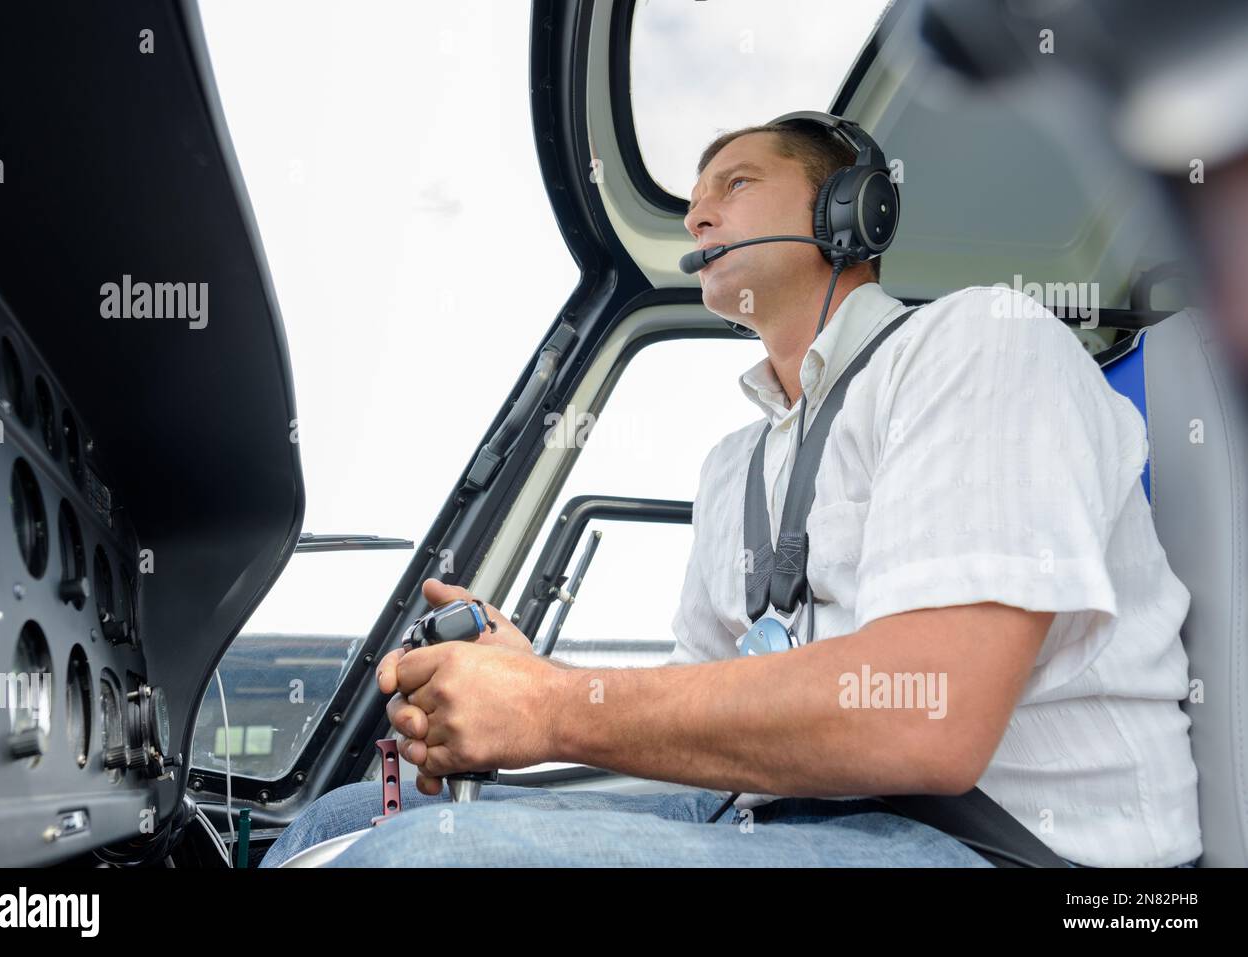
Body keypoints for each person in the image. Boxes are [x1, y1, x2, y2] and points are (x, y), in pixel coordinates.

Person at [260, 119, 1200, 869]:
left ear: (852, 211)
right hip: (801, 814)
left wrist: (551, 707)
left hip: (1009, 847)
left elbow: (928, 716)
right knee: (335, 822)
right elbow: (701, 717)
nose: (698, 214)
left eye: (736, 184)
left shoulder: (980, 343)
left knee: (423, 859)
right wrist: (524, 684)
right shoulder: (734, 464)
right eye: (695, 199)